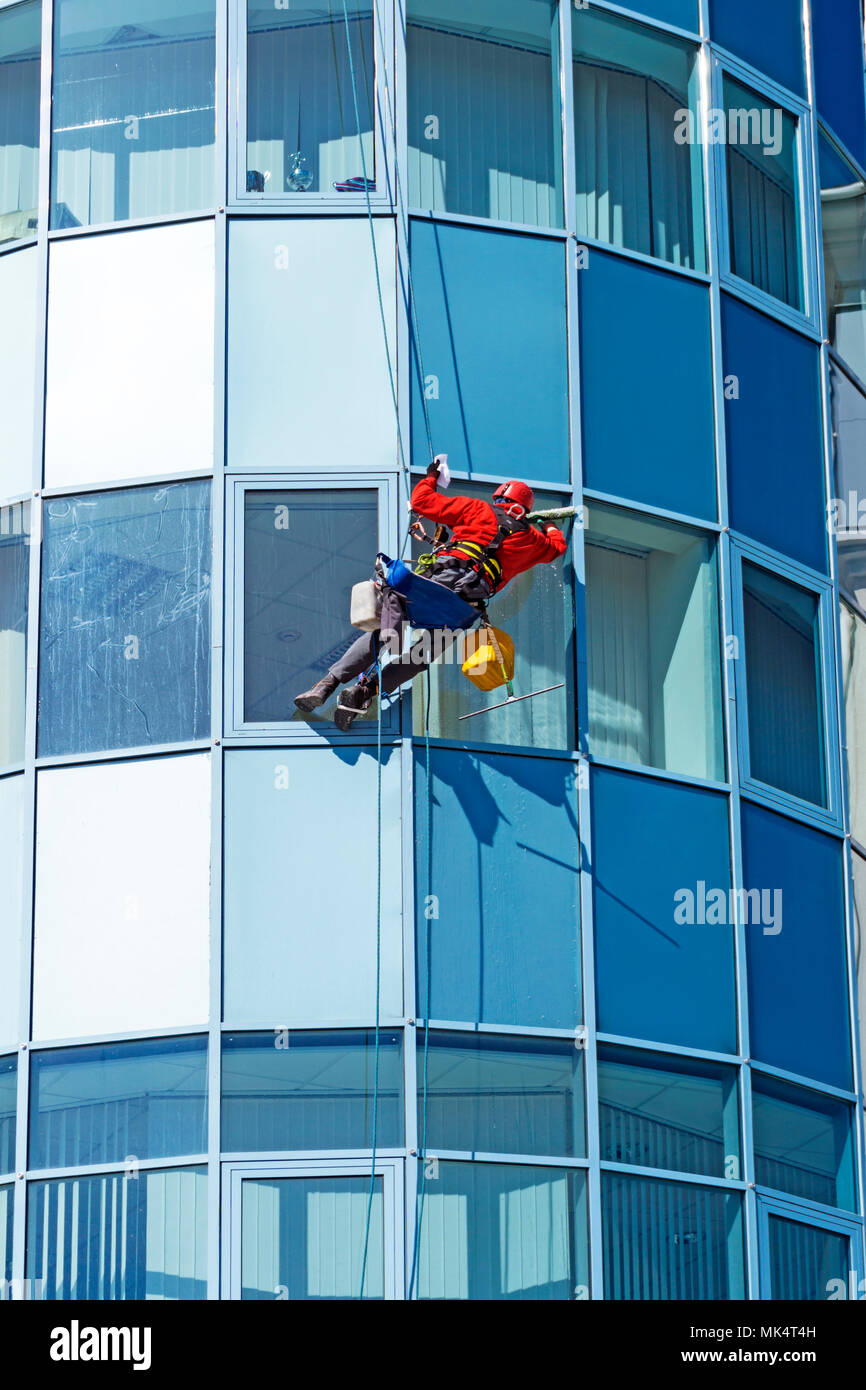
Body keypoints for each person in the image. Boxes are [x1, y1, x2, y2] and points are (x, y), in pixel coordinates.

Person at [294, 460, 568, 730]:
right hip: (463, 608)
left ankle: (329, 683)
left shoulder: (478, 510)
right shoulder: (533, 541)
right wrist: (547, 525)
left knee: (385, 621)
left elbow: (421, 501)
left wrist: (430, 477)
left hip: (436, 586)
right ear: (523, 509)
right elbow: (558, 547)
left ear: (498, 500)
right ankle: (366, 692)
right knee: (422, 655)